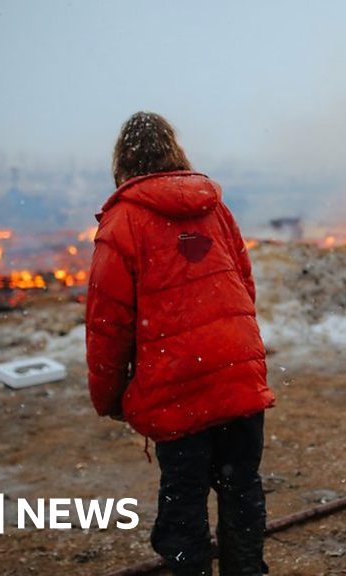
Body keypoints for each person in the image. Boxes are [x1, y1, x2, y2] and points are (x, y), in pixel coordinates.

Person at [86, 111, 275, 576]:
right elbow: (244, 286)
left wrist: (109, 398)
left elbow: (108, 325)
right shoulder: (215, 209)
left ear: (122, 161)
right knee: (240, 488)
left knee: (184, 501)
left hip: (176, 387)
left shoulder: (122, 224)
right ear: (175, 151)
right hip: (236, 377)